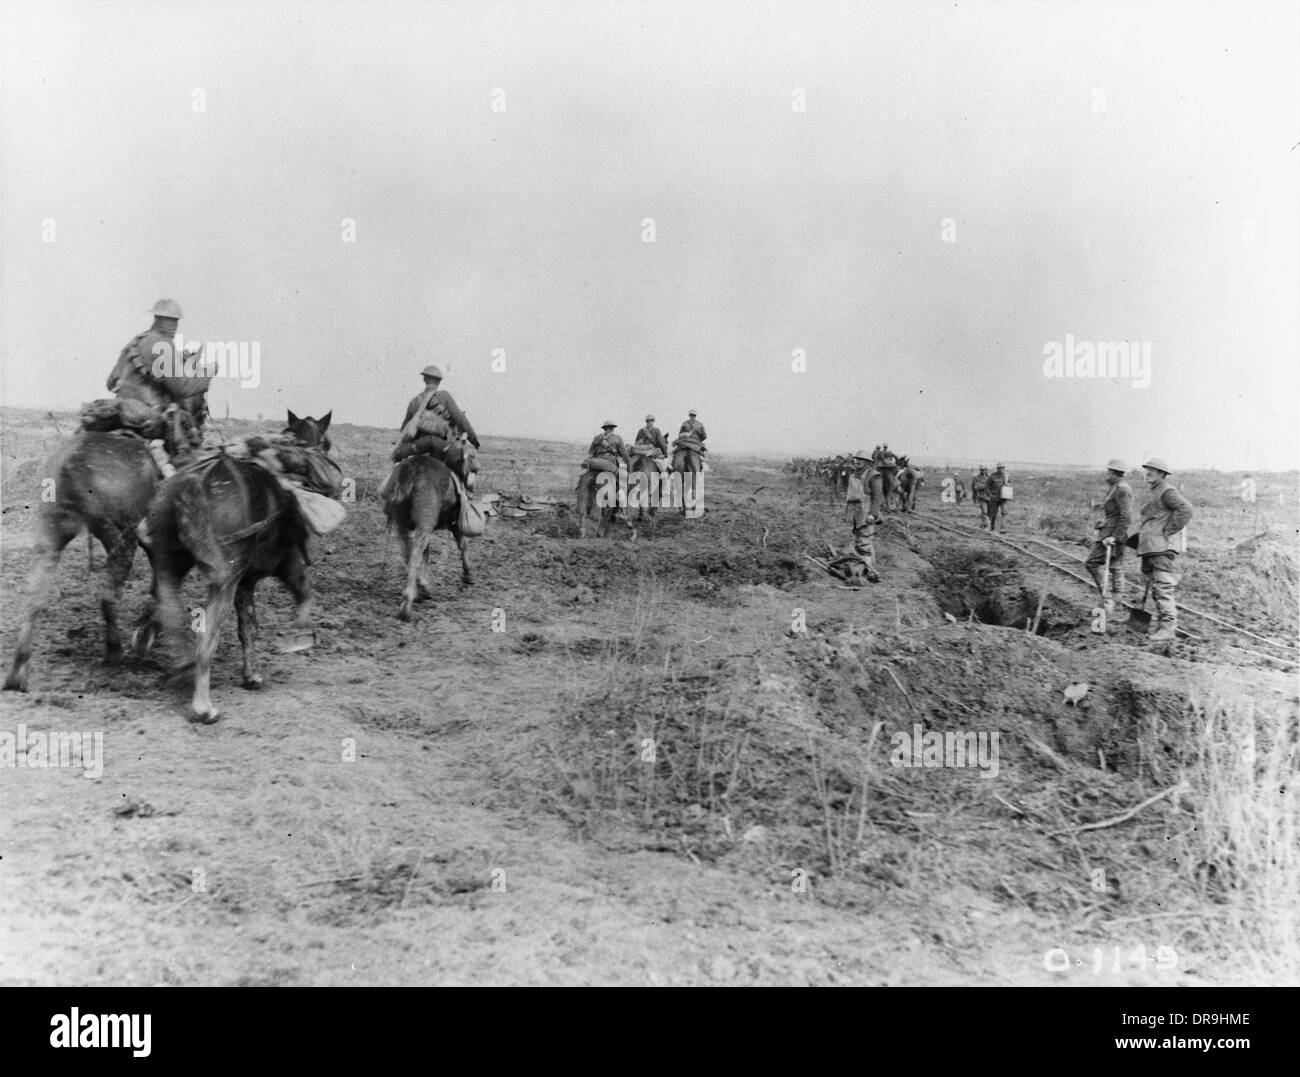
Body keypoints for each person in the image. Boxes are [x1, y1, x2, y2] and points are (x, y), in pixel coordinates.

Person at [379, 364, 480, 497]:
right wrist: (473, 439)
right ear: (439, 382)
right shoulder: (444, 397)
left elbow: (405, 429)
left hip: (417, 447)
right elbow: (461, 420)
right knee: (466, 467)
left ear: (424, 379)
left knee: (397, 468)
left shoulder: (414, 402)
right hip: (440, 448)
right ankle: (465, 498)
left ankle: (391, 496)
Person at [1131, 457, 1194, 641]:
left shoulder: (1167, 491)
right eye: (1147, 469)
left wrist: (1168, 530)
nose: (1148, 473)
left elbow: (1186, 509)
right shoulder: (1156, 490)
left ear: (1162, 474)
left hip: (1161, 548)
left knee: (1163, 588)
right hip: (1152, 547)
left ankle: (1168, 629)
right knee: (1157, 589)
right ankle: (1162, 627)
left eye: (1153, 470)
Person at [1084, 458, 1133, 615]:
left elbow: (1126, 516)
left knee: (1091, 563)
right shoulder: (1114, 487)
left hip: (1111, 535)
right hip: (1109, 532)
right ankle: (1114, 601)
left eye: (1109, 471)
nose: (1107, 474)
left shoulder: (1121, 489)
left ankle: (1107, 598)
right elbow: (1113, 510)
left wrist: (1115, 537)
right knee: (1115, 565)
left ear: (1115, 473)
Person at [985, 464, 1009, 532]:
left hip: (1003, 498)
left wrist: (1008, 485)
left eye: (1002, 468)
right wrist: (989, 495)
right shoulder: (992, 476)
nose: (1001, 469)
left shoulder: (1006, 476)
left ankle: (1002, 528)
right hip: (994, 498)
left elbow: (1009, 484)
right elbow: (987, 486)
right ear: (997, 468)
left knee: (1004, 512)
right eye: (999, 468)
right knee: (993, 514)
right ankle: (992, 527)